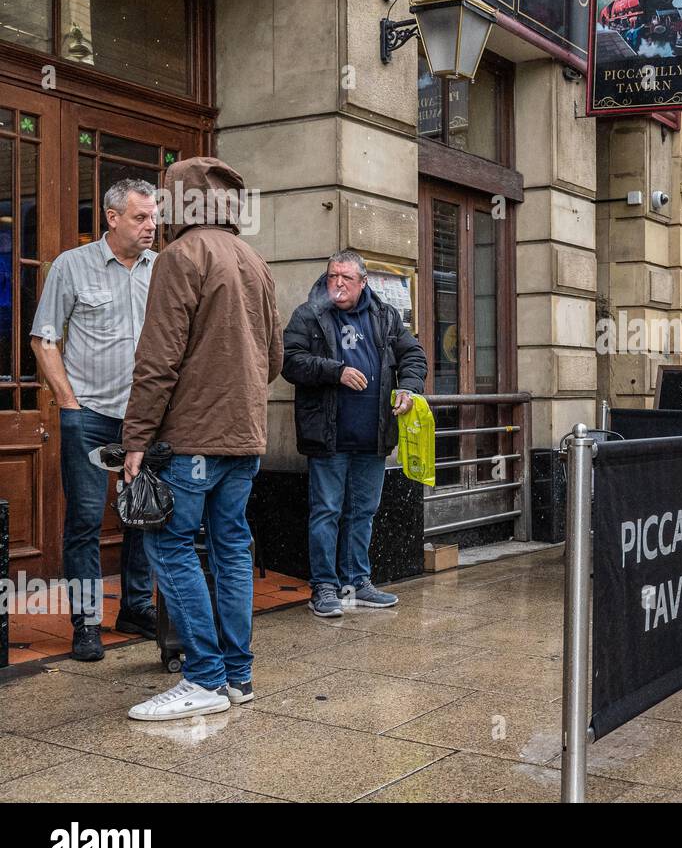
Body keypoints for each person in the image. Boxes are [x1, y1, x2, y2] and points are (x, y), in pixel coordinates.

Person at [121, 158, 283, 722]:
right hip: (245, 438)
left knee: (169, 546)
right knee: (232, 549)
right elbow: (276, 359)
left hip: (190, 438)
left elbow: (158, 360)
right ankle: (237, 676)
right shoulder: (252, 259)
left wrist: (135, 438)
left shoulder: (179, 257)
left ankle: (205, 677)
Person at [29, 180, 160, 661]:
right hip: (89, 416)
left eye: (153, 217)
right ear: (111, 217)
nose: (151, 226)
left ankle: (136, 607)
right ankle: (86, 622)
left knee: (144, 516)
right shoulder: (71, 265)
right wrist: (68, 403)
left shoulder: (160, 270)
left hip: (144, 419)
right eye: (140, 217)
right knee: (85, 520)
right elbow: (44, 339)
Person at [281, 250, 428, 617]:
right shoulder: (309, 314)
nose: (338, 284)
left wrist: (408, 389)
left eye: (347, 278)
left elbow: (414, 356)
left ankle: (357, 583)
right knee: (327, 511)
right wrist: (335, 371)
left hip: (373, 436)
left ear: (363, 282)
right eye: (333, 276)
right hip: (328, 437)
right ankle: (324, 588)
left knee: (363, 511)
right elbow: (288, 361)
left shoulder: (385, 316)